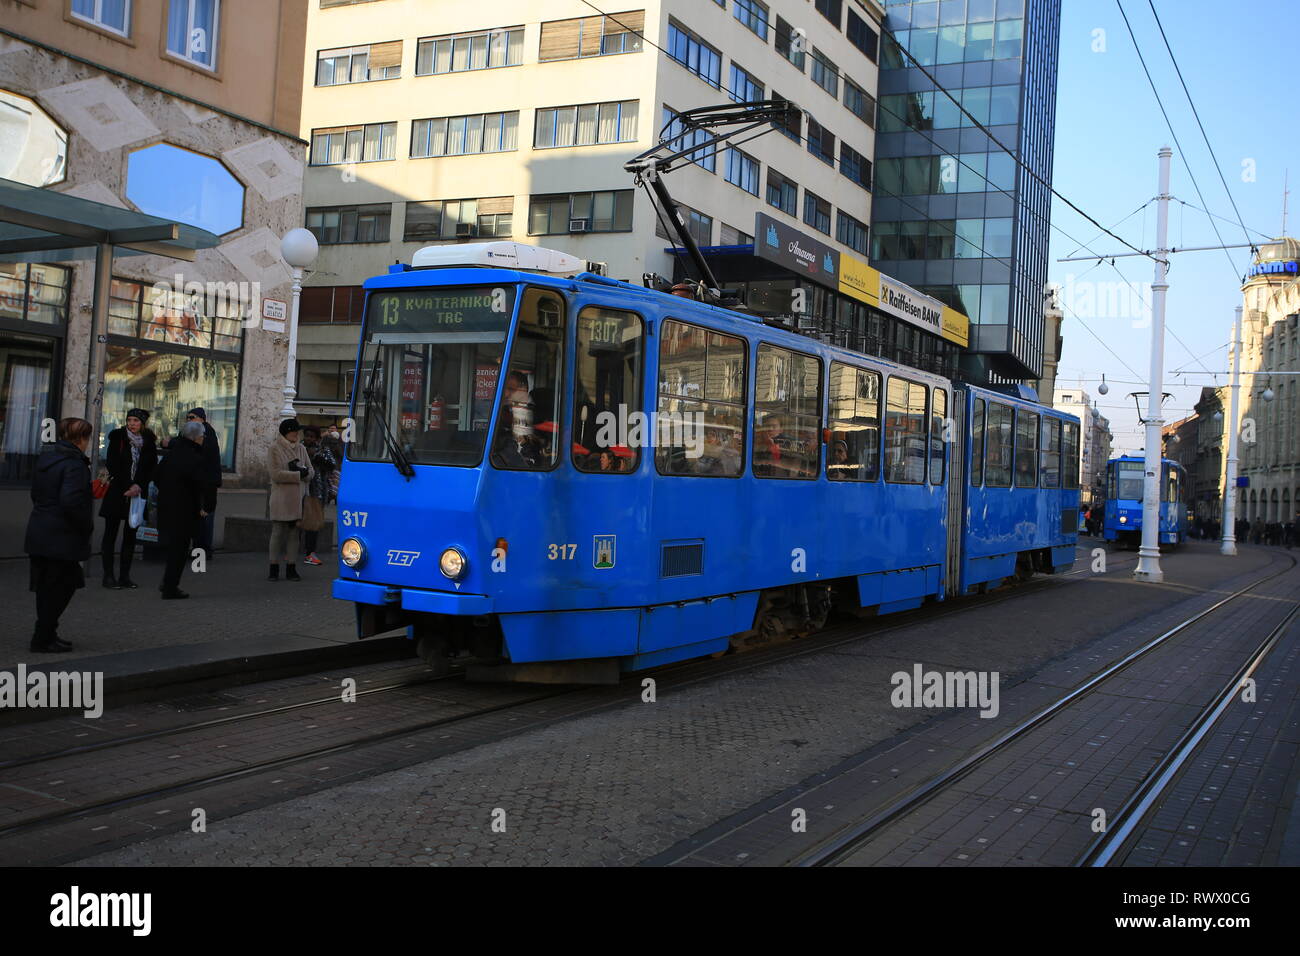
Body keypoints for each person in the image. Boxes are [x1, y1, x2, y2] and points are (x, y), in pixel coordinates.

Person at [25, 418, 95, 652]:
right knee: (62, 585)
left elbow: (36, 494)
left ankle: (46, 633)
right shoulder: (74, 465)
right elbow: (71, 502)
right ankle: (43, 636)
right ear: (81, 439)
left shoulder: (48, 459)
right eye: (87, 438)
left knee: (47, 586)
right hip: (61, 535)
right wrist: (85, 525)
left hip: (41, 529)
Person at [153, 420, 214, 600]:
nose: (203, 439)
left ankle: (168, 582)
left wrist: (167, 490)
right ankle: (170, 586)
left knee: (174, 547)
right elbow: (203, 484)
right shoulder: (195, 458)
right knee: (179, 549)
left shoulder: (172, 454)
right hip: (184, 509)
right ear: (195, 438)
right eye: (202, 436)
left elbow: (157, 476)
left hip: (167, 505)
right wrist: (206, 505)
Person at [99, 408, 157, 590]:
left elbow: (151, 468)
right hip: (118, 492)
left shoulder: (149, 442)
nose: (132, 424)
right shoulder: (118, 438)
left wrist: (138, 485)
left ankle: (125, 576)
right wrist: (129, 485)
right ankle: (108, 576)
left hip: (137, 494)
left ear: (143, 423)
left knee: (130, 536)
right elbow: (113, 464)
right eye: (129, 420)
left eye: (136, 421)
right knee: (110, 534)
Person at [268, 418, 313, 582]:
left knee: (294, 535)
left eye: (297, 431)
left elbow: (311, 470)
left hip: (298, 499)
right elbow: (275, 474)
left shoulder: (301, 448)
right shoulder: (274, 448)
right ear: (286, 432)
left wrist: (305, 473)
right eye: (294, 431)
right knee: (277, 533)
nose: (296, 434)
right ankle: (273, 568)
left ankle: (291, 568)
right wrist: (297, 474)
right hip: (281, 499)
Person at [185, 408, 222, 563]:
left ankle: (203, 551)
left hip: (207, 483)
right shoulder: (199, 431)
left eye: (192, 417)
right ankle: (199, 549)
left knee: (205, 516)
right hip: (202, 482)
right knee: (200, 517)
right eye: (187, 418)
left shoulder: (206, 433)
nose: (189, 420)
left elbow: (201, 453)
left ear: (201, 419)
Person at [301, 426, 336, 566]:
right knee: (296, 522)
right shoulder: (299, 448)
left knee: (313, 524)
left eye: (312, 436)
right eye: (307, 436)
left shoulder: (322, 450)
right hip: (300, 491)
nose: (309, 439)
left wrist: (316, 456)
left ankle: (310, 552)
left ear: (317, 438)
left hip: (317, 491)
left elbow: (332, 464)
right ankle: (291, 551)